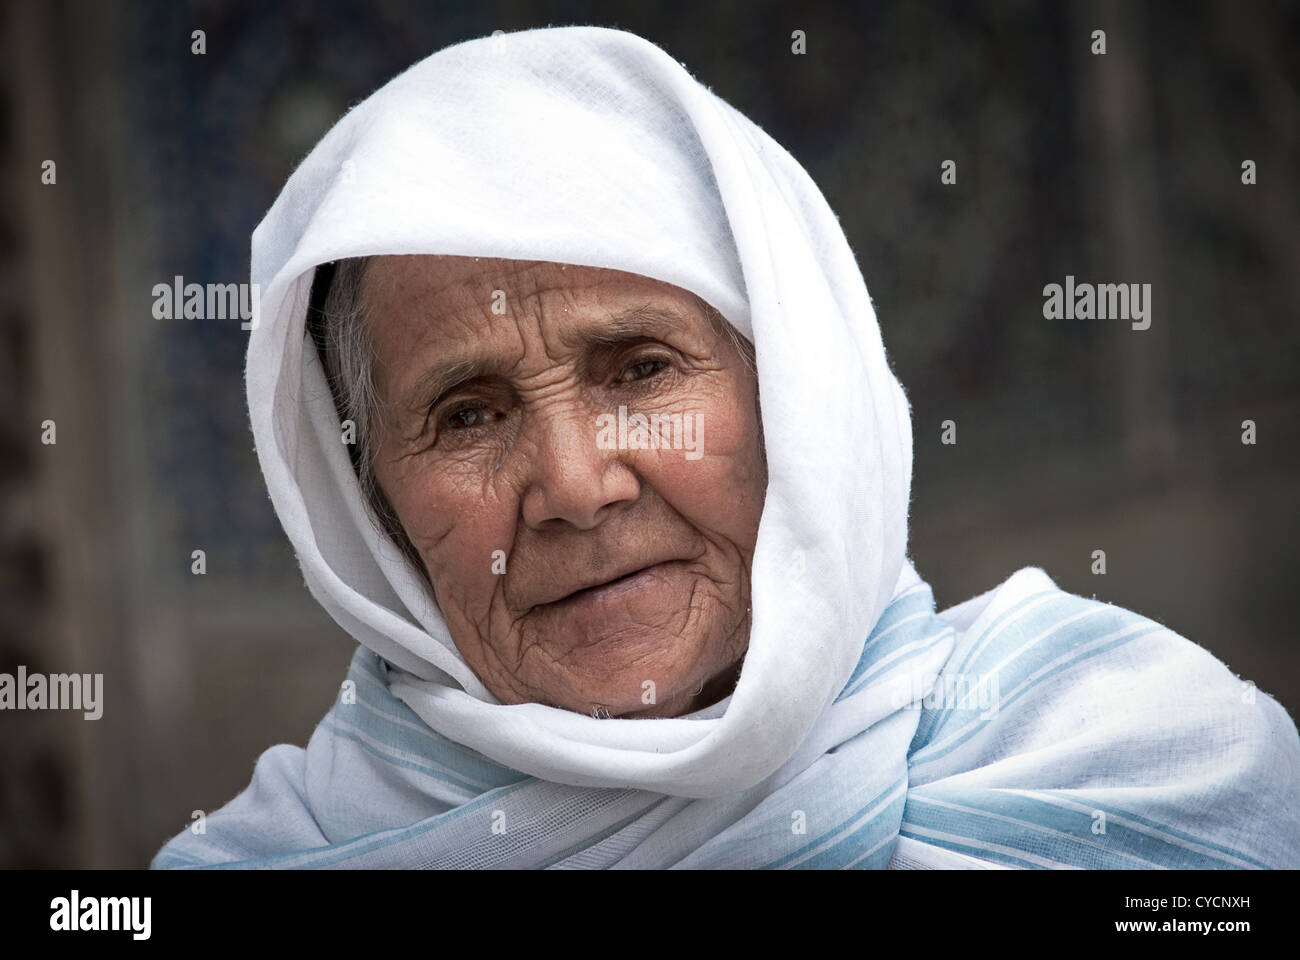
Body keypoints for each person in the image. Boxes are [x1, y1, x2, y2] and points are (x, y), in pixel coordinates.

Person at [151, 25, 1300, 869]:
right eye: (467, 416)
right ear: (372, 510)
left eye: (640, 371)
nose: (575, 486)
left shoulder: (1132, 766)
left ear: (796, 394)